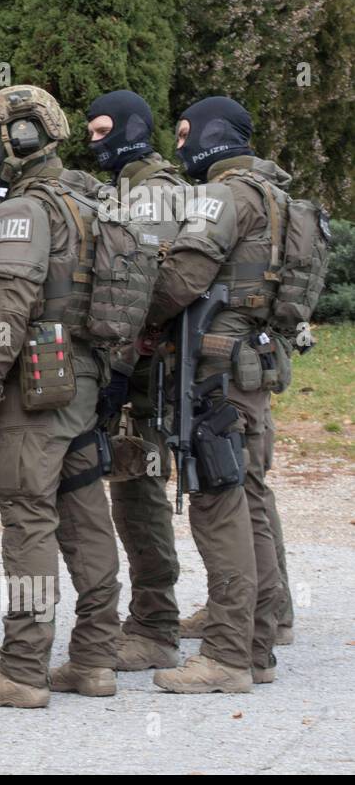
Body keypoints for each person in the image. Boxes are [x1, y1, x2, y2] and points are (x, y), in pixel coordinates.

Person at [0, 85, 121, 708]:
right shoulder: (91, 199)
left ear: (22, 137)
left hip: (35, 384)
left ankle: (23, 669)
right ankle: (96, 658)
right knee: (85, 515)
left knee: (28, 519)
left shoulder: (22, 210)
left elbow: (10, 304)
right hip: (86, 380)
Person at [143, 96, 285, 692]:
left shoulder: (223, 197)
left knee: (218, 501)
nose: (179, 145)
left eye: (185, 133)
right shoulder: (278, 196)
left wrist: (134, 316)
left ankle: (228, 657)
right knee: (247, 495)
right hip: (253, 363)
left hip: (214, 369)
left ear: (214, 136)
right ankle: (258, 636)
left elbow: (183, 280)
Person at [86, 89, 188, 671]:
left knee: (139, 490)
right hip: (132, 364)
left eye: (103, 131)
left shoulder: (151, 195)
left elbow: (143, 293)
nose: (94, 141)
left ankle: (154, 626)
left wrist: (119, 369)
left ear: (130, 128)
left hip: (144, 369)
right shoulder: (126, 189)